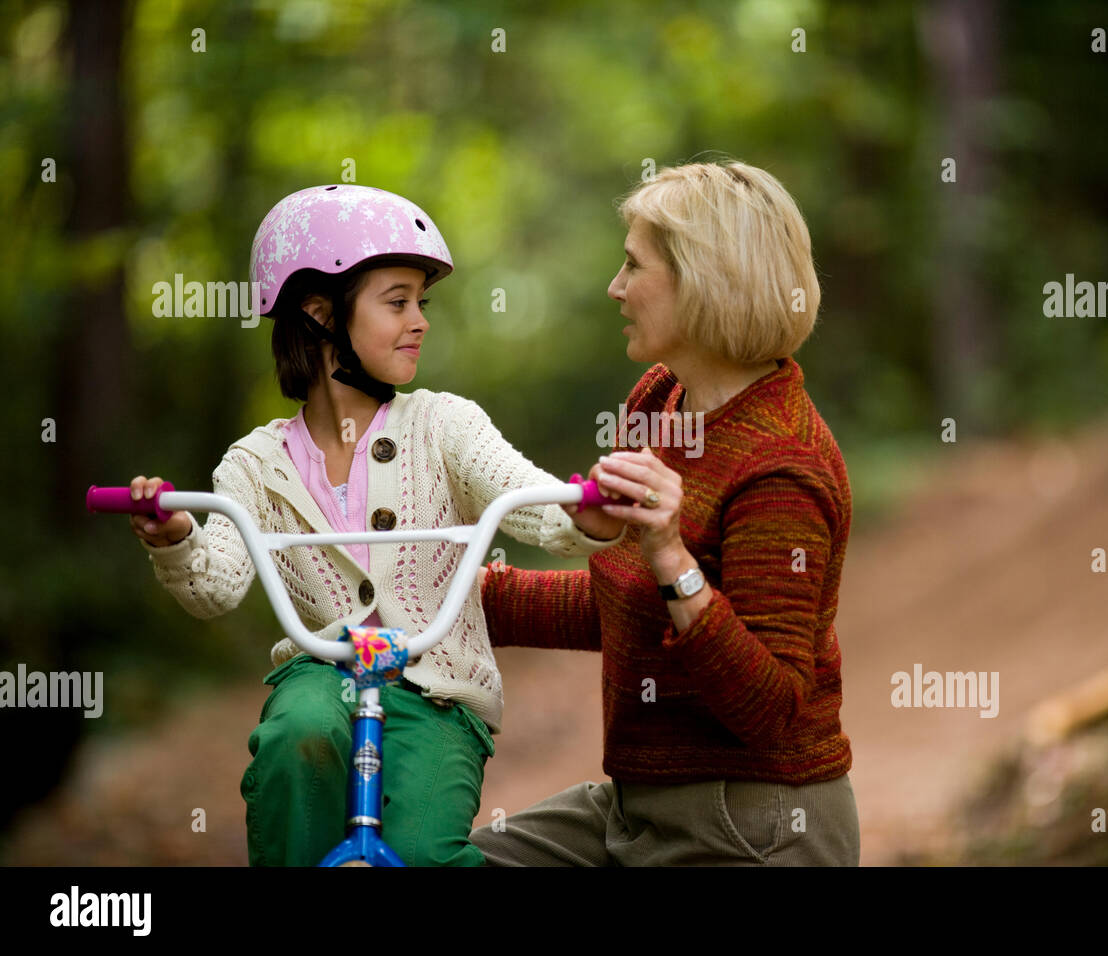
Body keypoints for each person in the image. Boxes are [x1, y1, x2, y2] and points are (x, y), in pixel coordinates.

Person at [126, 184, 624, 866]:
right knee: (295, 737)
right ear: (320, 312)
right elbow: (214, 586)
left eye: (422, 302)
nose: (419, 320)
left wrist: (587, 507)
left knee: (423, 852)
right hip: (321, 677)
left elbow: (531, 502)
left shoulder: (444, 426)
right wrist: (177, 538)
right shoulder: (257, 463)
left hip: (438, 695)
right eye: (397, 302)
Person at [470, 161, 859, 865]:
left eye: (632, 266)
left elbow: (771, 712)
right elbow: (623, 607)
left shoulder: (783, 468)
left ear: (705, 280)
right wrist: (464, 595)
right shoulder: (660, 400)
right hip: (640, 805)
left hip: (755, 820)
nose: (615, 288)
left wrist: (672, 560)